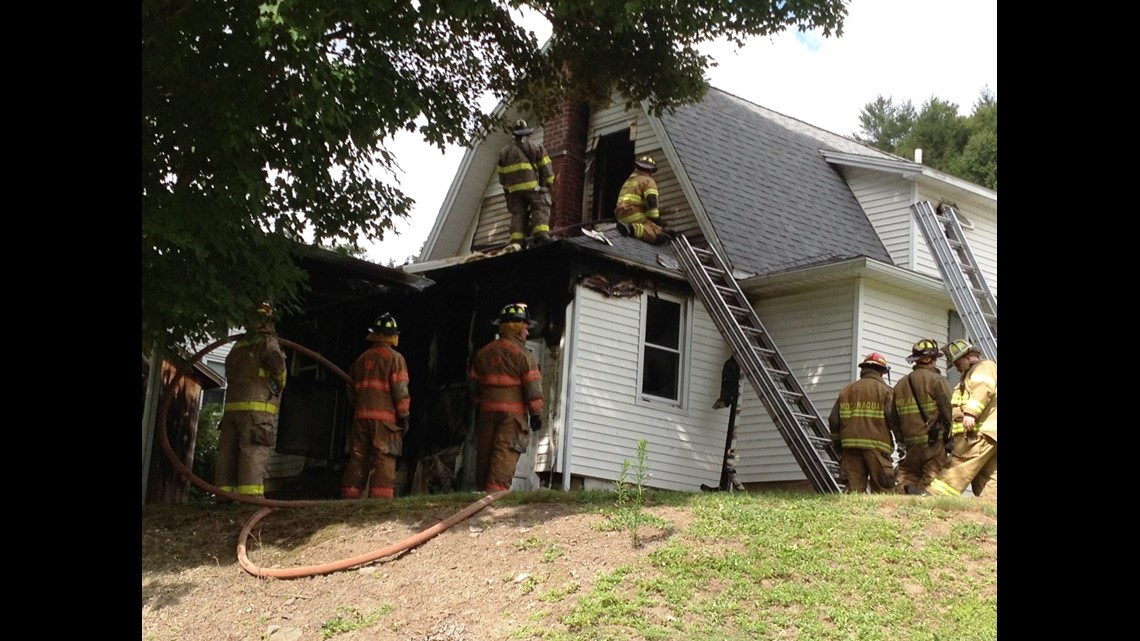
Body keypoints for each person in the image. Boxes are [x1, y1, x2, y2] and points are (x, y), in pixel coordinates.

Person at [469, 303, 545, 493]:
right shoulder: (524, 356)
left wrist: (479, 407)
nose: (527, 334)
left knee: (485, 455)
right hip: (512, 418)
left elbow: (474, 388)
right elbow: (533, 388)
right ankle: (494, 501)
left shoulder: (483, 353)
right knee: (504, 455)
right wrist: (536, 414)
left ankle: (479, 500)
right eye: (526, 329)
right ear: (518, 329)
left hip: (486, 414)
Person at [215, 302, 288, 500]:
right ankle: (250, 500)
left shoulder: (239, 345)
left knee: (228, 454)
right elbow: (278, 369)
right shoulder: (267, 342)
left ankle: (223, 497)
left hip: (232, 410)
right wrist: (278, 385)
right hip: (257, 410)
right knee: (252, 452)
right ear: (268, 322)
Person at [340, 313, 411, 499]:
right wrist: (404, 416)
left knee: (357, 457)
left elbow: (350, 390)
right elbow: (400, 391)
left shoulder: (361, 359)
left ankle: (348, 500)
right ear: (393, 335)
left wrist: (361, 407)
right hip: (385, 422)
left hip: (361, 418)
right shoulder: (395, 359)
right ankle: (380, 504)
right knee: (384, 459)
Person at [927, 339, 997, 499]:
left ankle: (935, 497)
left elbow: (984, 388)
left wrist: (971, 413)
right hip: (989, 435)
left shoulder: (983, 368)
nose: (957, 369)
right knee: (986, 476)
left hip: (980, 433)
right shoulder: (973, 372)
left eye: (957, 364)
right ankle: (990, 508)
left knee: (960, 465)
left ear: (968, 357)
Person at [828, 353, 899, 494]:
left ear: (863, 370)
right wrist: (901, 442)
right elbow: (894, 420)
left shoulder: (846, 391)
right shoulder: (886, 391)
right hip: (877, 447)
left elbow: (833, 420)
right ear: (882, 371)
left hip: (850, 448)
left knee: (853, 492)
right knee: (883, 489)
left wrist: (838, 445)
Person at [892, 339, 953, 495]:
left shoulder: (900, 385)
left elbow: (893, 417)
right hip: (933, 443)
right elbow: (948, 410)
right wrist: (951, 437)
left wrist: (901, 440)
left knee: (907, 476)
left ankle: (902, 507)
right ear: (932, 359)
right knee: (931, 480)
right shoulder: (937, 380)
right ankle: (925, 510)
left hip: (910, 443)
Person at [496, 119, 556, 250]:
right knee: (541, 206)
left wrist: (508, 191)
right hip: (532, 188)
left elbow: (502, 178)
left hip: (513, 191)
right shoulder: (535, 148)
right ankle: (540, 235)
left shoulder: (504, 153)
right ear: (527, 134)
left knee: (518, 214)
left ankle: (517, 242)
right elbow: (546, 168)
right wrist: (547, 185)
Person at [614, 156, 670, 245]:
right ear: (651, 171)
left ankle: (629, 227)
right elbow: (651, 201)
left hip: (621, 217)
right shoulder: (648, 181)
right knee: (656, 232)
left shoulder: (628, 182)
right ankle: (632, 229)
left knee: (651, 225)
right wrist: (656, 220)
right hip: (634, 215)